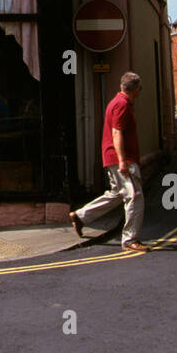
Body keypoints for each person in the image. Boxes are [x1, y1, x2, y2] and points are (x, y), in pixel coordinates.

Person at [69, 72, 148, 252]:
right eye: (139, 89)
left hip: (113, 157)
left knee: (117, 194)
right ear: (136, 89)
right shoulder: (122, 105)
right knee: (135, 197)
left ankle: (81, 217)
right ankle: (130, 240)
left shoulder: (115, 102)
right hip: (121, 158)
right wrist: (122, 161)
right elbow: (116, 132)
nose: (139, 92)